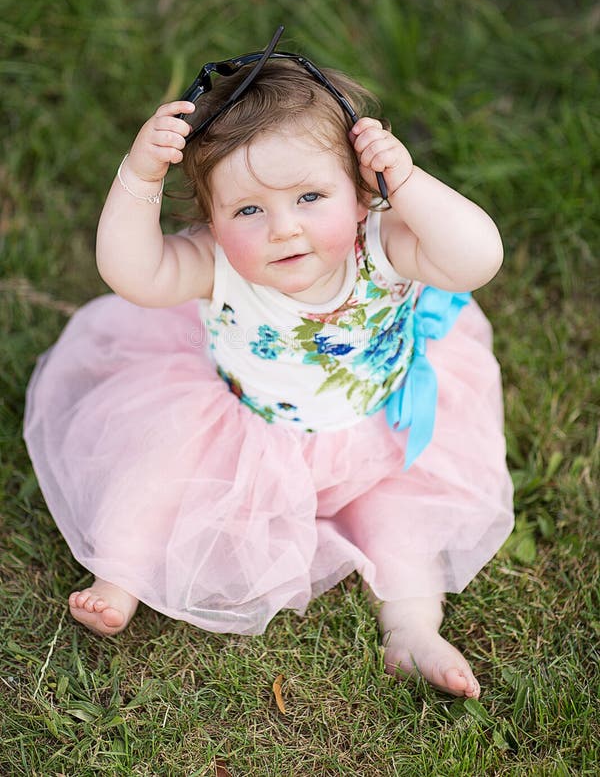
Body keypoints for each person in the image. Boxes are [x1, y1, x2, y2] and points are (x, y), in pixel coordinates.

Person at [24, 44, 514, 700]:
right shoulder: (216, 264)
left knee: (403, 523)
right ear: (212, 220)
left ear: (364, 192)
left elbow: (478, 257)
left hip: (374, 427)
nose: (284, 228)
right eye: (248, 210)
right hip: (245, 422)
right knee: (158, 467)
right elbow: (132, 275)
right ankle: (123, 572)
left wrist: (410, 182)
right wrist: (139, 177)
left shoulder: (389, 242)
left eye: (311, 196)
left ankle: (413, 628)